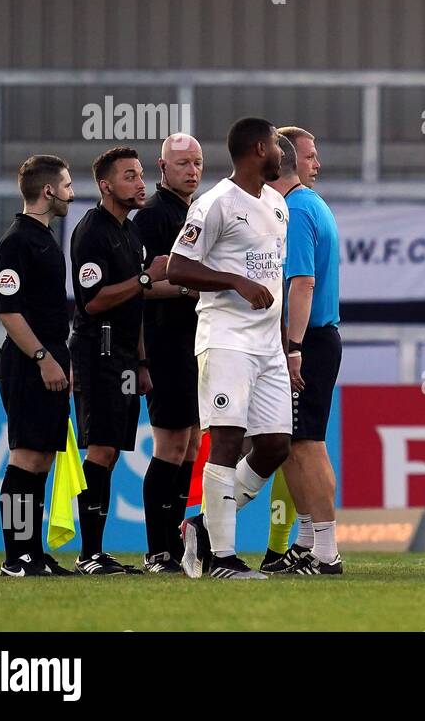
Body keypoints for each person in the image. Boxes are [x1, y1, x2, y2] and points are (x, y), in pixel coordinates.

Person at [171, 118, 292, 580]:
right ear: (260, 148)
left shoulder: (277, 204)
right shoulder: (214, 204)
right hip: (226, 340)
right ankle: (221, 558)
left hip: (268, 348)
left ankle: (200, 528)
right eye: (278, 146)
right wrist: (234, 281)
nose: (284, 154)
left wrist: (284, 347)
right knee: (224, 440)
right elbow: (178, 267)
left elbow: (274, 279)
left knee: (275, 446)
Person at [69, 146, 166, 575]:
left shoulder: (130, 233)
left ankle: (96, 552)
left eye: (141, 174)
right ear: (106, 185)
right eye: (129, 176)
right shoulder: (92, 231)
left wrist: (142, 363)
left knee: (112, 450)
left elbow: (135, 301)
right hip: (97, 353)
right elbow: (92, 301)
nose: (140, 182)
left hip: (126, 357)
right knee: (102, 448)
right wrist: (147, 276)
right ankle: (89, 553)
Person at [260, 127, 344, 576]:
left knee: (308, 443)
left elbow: (302, 283)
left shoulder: (294, 210)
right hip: (311, 338)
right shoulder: (307, 204)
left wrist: (292, 348)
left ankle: (327, 552)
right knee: (294, 443)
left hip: (307, 340)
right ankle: (310, 542)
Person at [0, 155, 78, 577]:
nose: (70, 192)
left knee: (43, 458)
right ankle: (16, 557)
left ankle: (32, 551)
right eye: (65, 185)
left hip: (50, 361)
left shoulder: (45, 238)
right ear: (48, 191)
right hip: (28, 363)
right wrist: (44, 358)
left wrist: (61, 358)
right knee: (25, 458)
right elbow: (8, 312)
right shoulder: (18, 241)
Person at [131, 133, 205, 573]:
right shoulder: (153, 217)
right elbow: (135, 285)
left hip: (196, 342)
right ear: (163, 169)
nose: (192, 170)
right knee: (171, 444)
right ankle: (157, 549)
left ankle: (177, 547)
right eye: (183, 164)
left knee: (193, 443)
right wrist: (187, 286)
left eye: (197, 162)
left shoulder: (196, 210)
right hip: (164, 343)